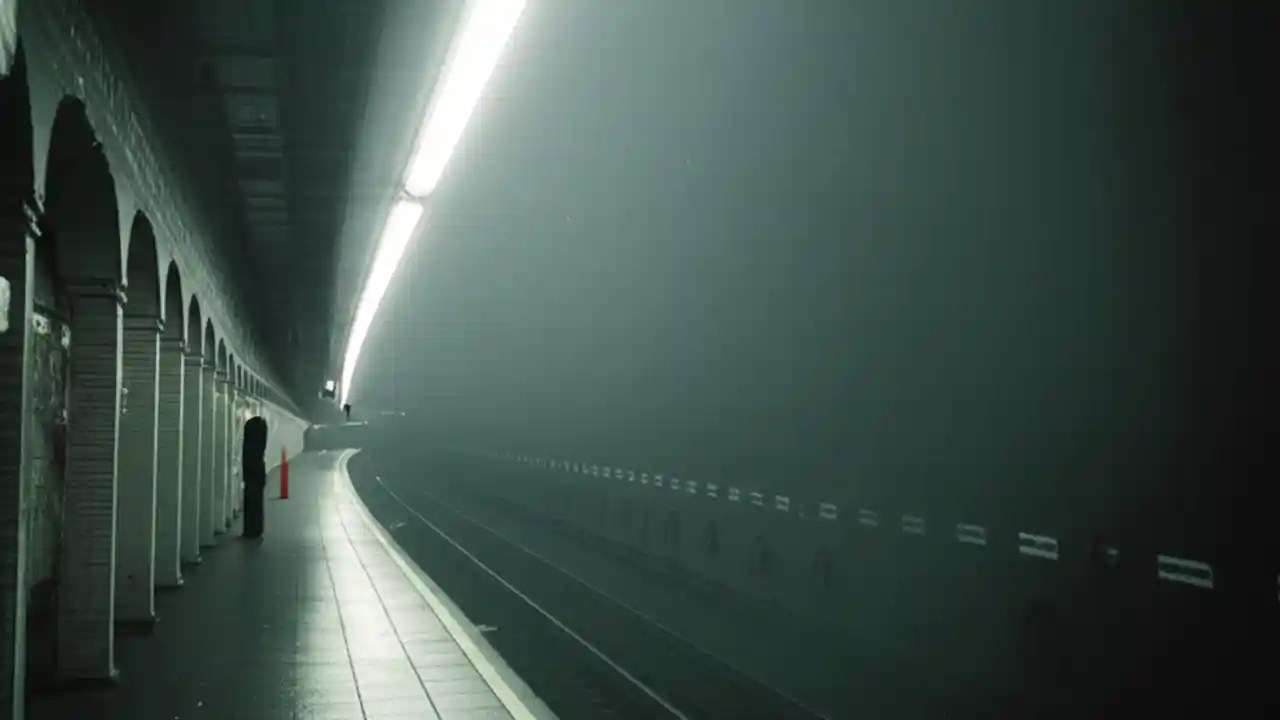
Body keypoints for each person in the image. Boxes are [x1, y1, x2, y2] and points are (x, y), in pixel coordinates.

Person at [241, 416, 268, 539]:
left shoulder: (249, 445)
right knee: (257, 503)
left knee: (250, 502)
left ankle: (250, 530)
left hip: (251, 473)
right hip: (259, 471)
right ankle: (257, 529)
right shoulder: (261, 440)